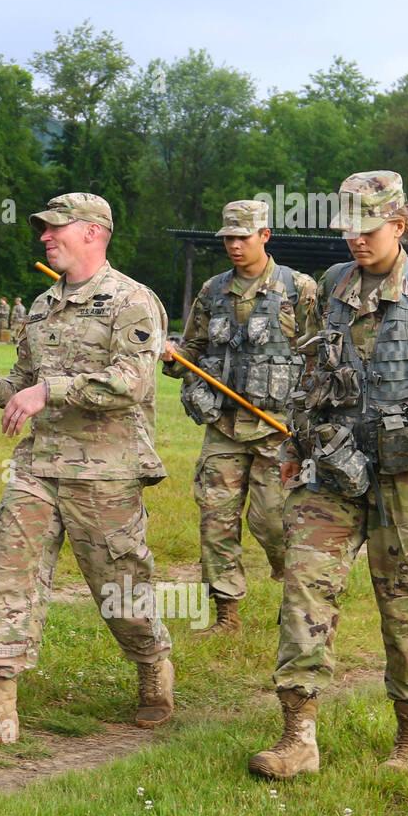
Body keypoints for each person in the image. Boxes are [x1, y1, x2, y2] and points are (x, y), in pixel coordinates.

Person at [249, 172, 408, 780]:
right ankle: (297, 739)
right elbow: (314, 369)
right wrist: (295, 442)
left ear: (398, 224)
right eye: (348, 227)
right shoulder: (333, 285)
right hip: (334, 470)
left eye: (367, 228)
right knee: (304, 587)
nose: (355, 239)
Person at [0, 193, 174, 745]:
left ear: (94, 233)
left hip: (105, 473)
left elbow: (132, 383)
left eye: (55, 229)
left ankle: (152, 666)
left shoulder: (132, 301)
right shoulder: (41, 307)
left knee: (121, 590)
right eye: (42, 229)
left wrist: (51, 390)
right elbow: (26, 380)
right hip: (38, 469)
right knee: (10, 577)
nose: (44, 236)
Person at [161, 200, 317, 637]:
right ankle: (226, 612)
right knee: (216, 519)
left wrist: (310, 418)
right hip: (225, 426)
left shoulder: (299, 288)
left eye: (242, 237)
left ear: (265, 236)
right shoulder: (213, 291)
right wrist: (173, 356)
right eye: (227, 238)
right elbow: (194, 348)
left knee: (272, 519)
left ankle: (295, 592)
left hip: (277, 429)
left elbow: (323, 353)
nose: (233, 245)